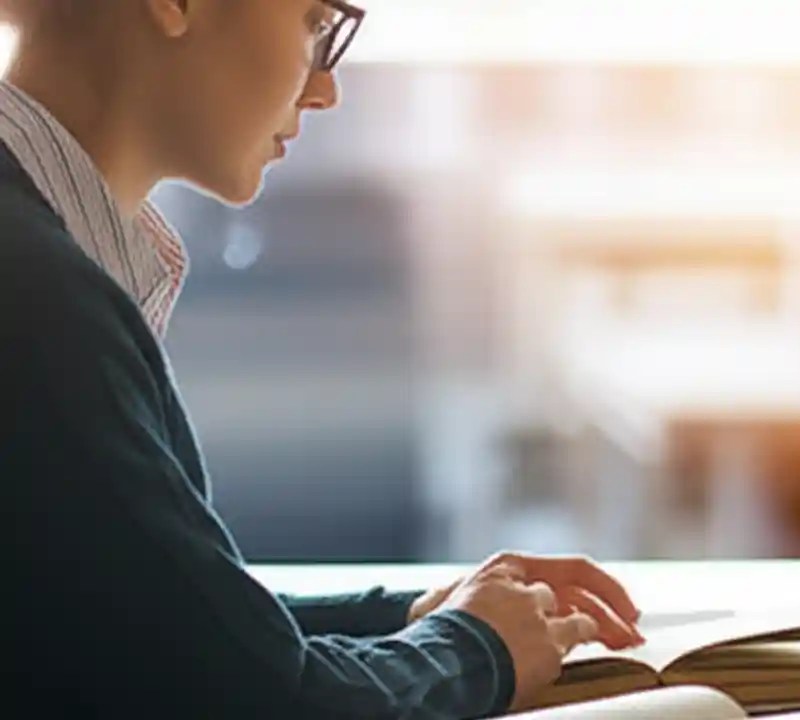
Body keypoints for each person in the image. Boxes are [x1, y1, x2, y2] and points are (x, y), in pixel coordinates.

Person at [0, 1, 645, 718]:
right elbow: (261, 698)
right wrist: (475, 649)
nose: (325, 89)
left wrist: (414, 618)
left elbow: (166, 622)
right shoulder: (34, 296)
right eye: (314, 21)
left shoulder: (39, 263)